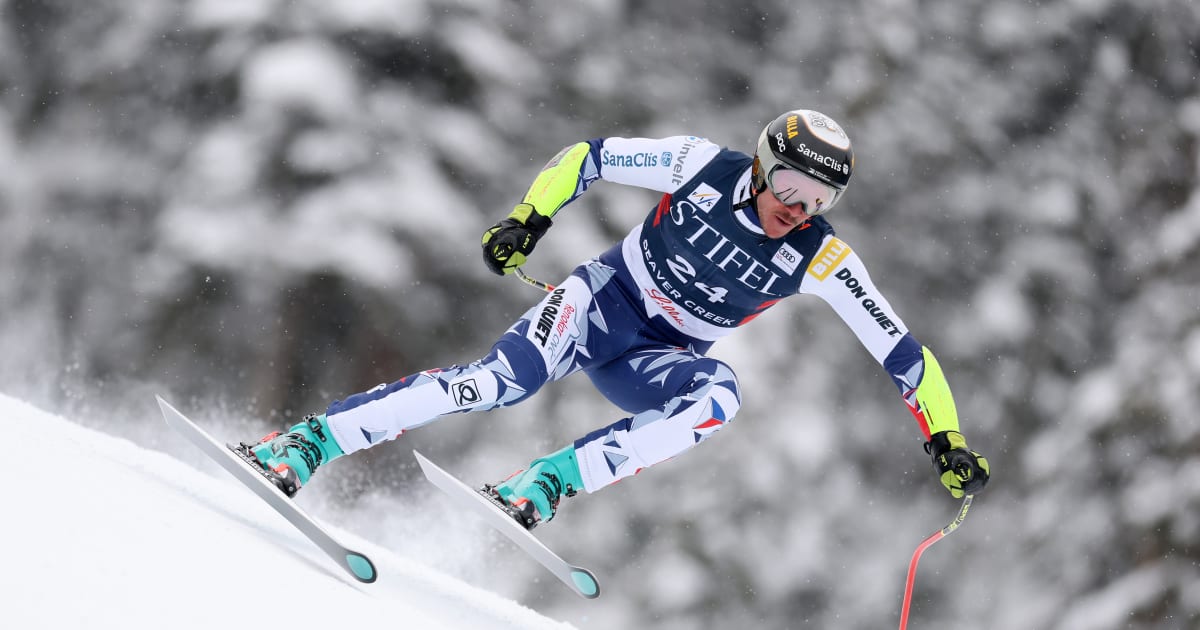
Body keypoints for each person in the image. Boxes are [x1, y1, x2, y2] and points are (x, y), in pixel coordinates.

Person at [239, 109, 990, 528]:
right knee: (492, 385)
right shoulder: (701, 165)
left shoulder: (822, 258)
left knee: (719, 398)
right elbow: (589, 157)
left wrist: (946, 440)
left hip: (656, 357)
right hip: (599, 305)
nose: (797, 206)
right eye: (791, 181)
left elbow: (905, 356)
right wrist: (528, 220)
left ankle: (547, 482)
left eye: (820, 199)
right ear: (764, 164)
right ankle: (307, 443)